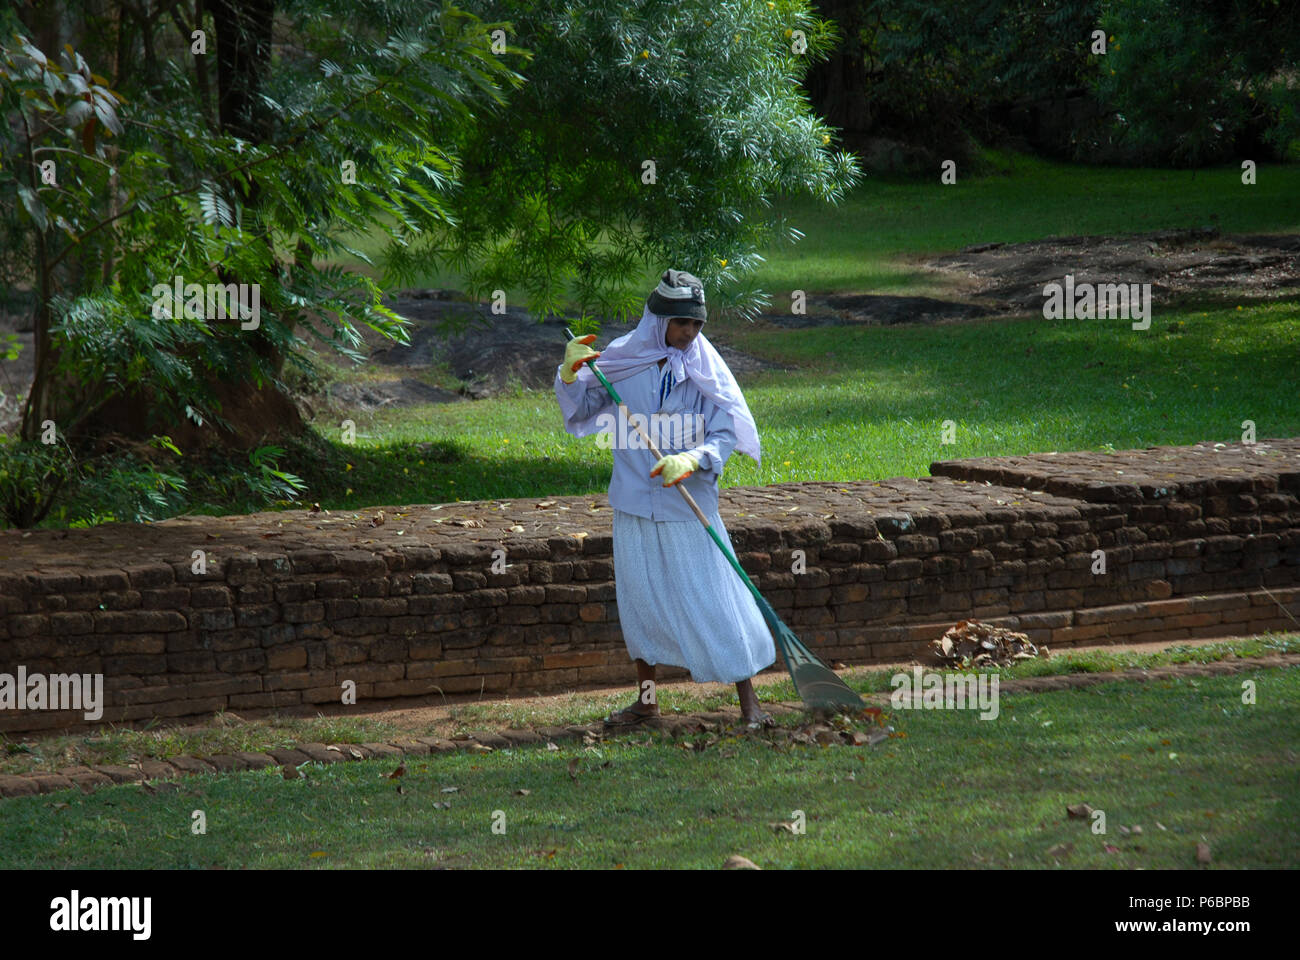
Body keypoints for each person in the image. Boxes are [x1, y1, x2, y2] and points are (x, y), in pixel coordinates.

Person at [554, 269, 775, 728]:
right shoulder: (618, 359)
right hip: (633, 504)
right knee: (641, 604)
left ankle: (750, 705)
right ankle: (647, 702)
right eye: (681, 323)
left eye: (696, 325)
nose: (690, 333)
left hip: (687, 506)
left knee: (715, 598)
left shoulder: (706, 370)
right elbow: (582, 408)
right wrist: (570, 375)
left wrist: (693, 460)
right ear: (658, 321)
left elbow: (725, 432)